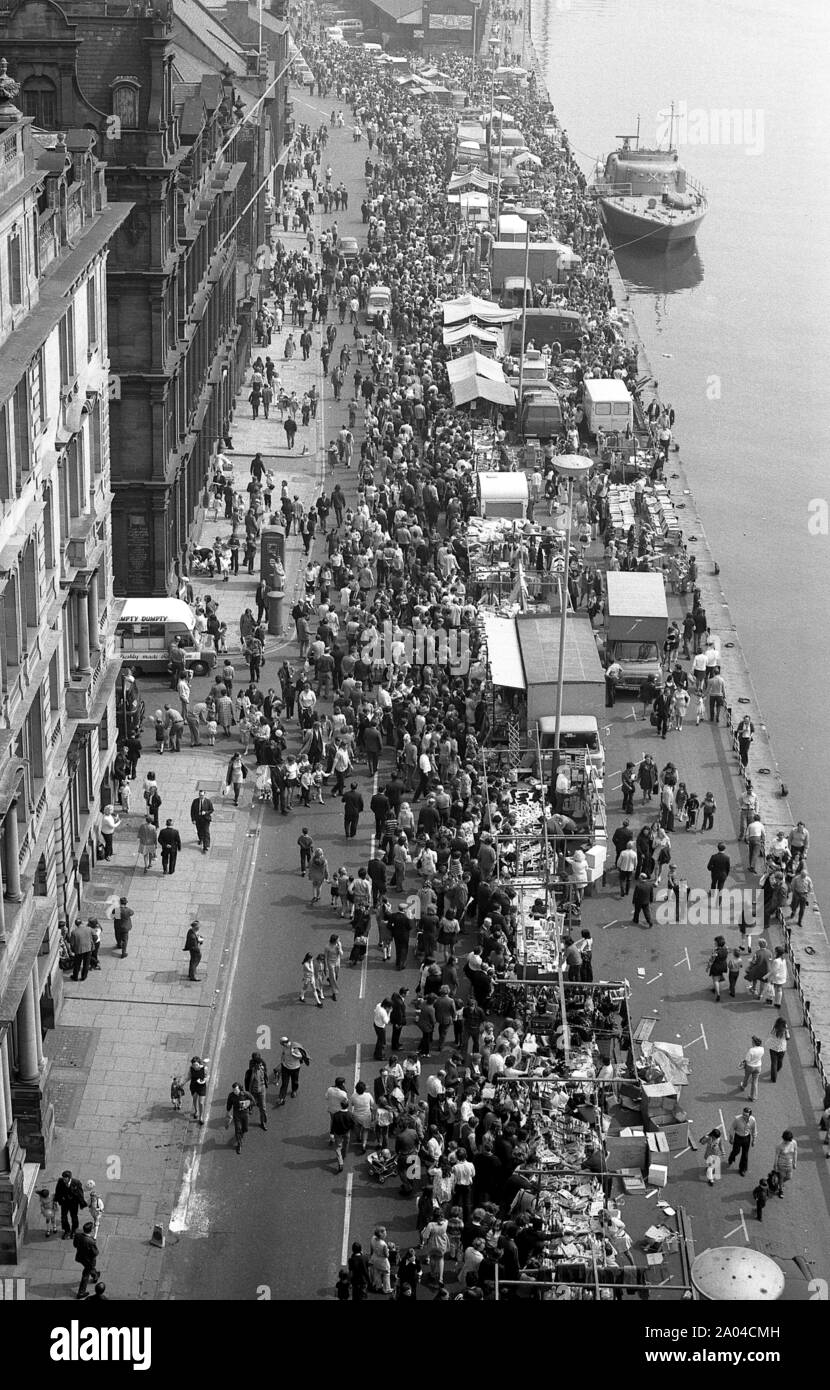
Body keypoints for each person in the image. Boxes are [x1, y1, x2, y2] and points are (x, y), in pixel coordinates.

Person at [275, 1036, 308, 1104]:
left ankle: (294, 1091)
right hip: (285, 1068)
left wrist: (293, 1054)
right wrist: (282, 1060)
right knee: (284, 1083)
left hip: (295, 1068)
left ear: (284, 1043)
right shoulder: (284, 1047)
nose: (281, 1045)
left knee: (295, 1081)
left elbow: (300, 1056)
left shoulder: (294, 1048)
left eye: (282, 1043)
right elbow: (283, 1053)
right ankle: (281, 1098)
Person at [55, 1170, 87, 1239]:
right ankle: (67, 1230)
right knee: (63, 1217)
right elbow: (57, 1191)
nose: (64, 1180)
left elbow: (80, 1194)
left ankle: (74, 1230)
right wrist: (57, 1200)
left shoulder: (76, 1183)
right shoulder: (60, 1181)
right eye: (63, 1178)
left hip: (73, 1203)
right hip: (64, 1203)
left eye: (65, 1179)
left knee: (74, 1217)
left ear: (69, 1178)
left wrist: (81, 1203)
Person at [225, 1082, 255, 1155]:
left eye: (235, 1090)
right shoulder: (231, 1095)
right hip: (237, 1114)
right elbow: (229, 1104)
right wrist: (228, 1112)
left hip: (245, 1113)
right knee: (237, 1129)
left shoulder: (245, 1094)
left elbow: (254, 1102)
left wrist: (247, 1103)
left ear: (239, 1089)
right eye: (233, 1090)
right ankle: (239, 1144)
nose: (234, 1091)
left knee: (246, 1129)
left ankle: (241, 1134)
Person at [727, 1107, 757, 1177]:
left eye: (746, 1115)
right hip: (738, 1137)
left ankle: (742, 1169)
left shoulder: (753, 1120)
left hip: (747, 1138)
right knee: (736, 1151)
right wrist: (731, 1138)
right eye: (743, 1114)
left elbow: (754, 1130)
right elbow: (732, 1128)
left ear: (749, 1115)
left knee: (745, 1154)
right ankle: (731, 1157)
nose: (744, 1116)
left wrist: (754, 1140)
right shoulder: (737, 1119)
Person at [74, 1221, 100, 1299]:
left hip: (80, 1257)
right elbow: (95, 1253)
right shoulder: (91, 1241)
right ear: (91, 1230)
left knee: (89, 1268)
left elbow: (75, 1245)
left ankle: (95, 1275)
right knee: (86, 1274)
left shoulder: (78, 1236)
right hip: (89, 1260)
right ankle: (81, 1292)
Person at [244, 1051, 270, 1129]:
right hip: (253, 1091)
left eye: (261, 1064)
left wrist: (266, 1083)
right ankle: (249, 1107)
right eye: (259, 1065)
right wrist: (248, 1092)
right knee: (251, 1102)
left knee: (263, 1108)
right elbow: (247, 1082)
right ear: (255, 1064)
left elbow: (265, 1075)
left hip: (262, 1090)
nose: (261, 1065)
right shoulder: (250, 1072)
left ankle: (263, 1122)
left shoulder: (262, 1066)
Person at [773, 1130, 798, 1197]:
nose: (787, 1142)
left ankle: (778, 1183)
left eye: (789, 1140)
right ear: (783, 1138)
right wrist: (775, 1165)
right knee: (781, 1177)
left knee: (789, 1177)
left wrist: (794, 1162)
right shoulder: (779, 1145)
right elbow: (776, 1155)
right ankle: (780, 1190)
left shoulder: (794, 1143)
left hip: (789, 1164)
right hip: (781, 1165)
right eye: (786, 1140)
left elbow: (795, 1152)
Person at [331, 1100, 353, 1173]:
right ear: (348, 1106)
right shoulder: (350, 1114)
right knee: (346, 1144)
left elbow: (333, 1125)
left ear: (341, 1105)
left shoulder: (336, 1115)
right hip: (346, 1132)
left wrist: (332, 1133)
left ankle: (340, 1162)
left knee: (338, 1147)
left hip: (338, 1133)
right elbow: (353, 1124)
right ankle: (344, 1155)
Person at [768, 1017, 790, 1082]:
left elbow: (771, 1033)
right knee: (780, 1060)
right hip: (782, 1048)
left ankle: (773, 1078)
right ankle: (778, 1068)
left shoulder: (774, 1028)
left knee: (773, 1063)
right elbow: (788, 1038)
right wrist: (787, 1030)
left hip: (773, 1047)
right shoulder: (785, 1030)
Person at [707, 935, 729, 1001]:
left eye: (715, 942)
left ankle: (718, 994)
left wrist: (708, 967)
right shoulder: (726, 949)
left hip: (716, 966)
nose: (714, 943)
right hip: (723, 965)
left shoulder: (716, 952)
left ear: (717, 943)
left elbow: (711, 960)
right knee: (719, 975)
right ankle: (716, 987)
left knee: (715, 980)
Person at [189, 1055, 208, 1123]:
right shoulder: (191, 1068)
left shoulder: (204, 1068)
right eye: (193, 1065)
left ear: (199, 1064)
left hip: (202, 1086)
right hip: (194, 1085)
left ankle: (201, 1117)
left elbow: (206, 1077)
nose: (195, 1066)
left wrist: (203, 1081)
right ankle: (196, 1111)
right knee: (194, 1099)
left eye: (196, 1065)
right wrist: (182, 1083)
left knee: (201, 1102)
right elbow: (189, 1076)